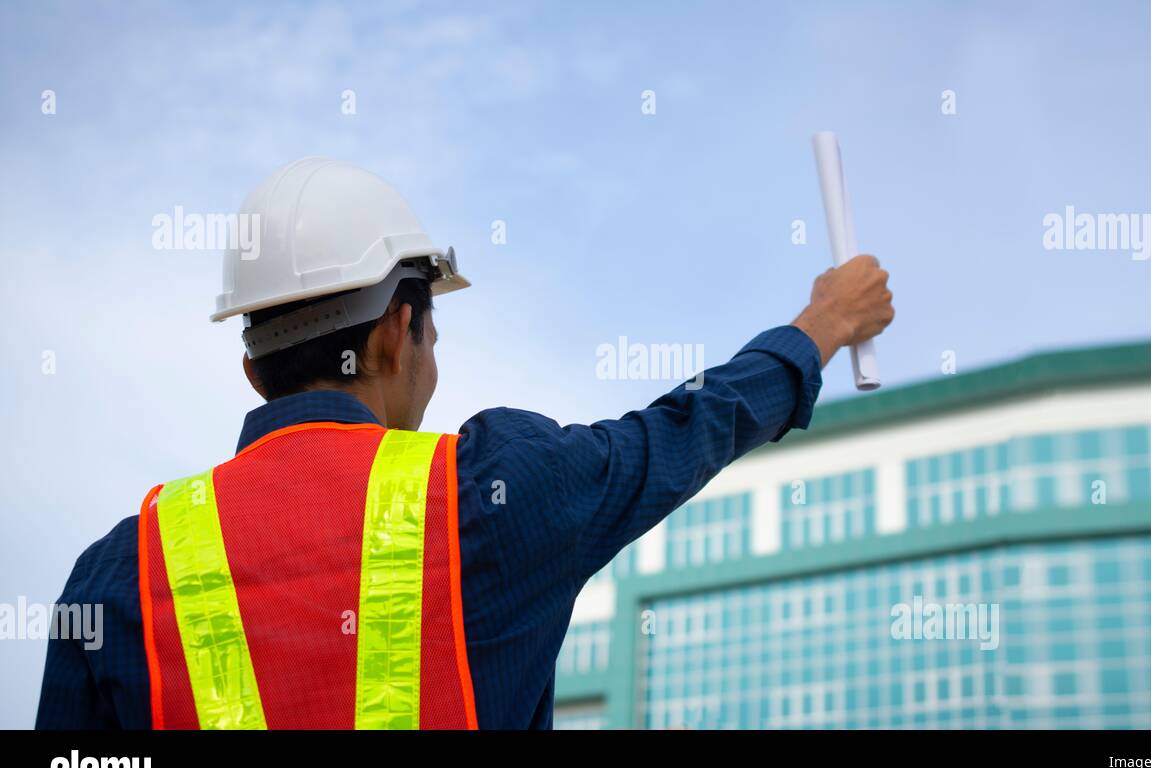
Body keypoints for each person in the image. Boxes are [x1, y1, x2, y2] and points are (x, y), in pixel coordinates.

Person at [36, 157, 894, 729]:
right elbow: (684, 428)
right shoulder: (493, 491)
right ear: (395, 333)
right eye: (430, 336)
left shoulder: (122, 569)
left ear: (254, 371)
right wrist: (820, 326)